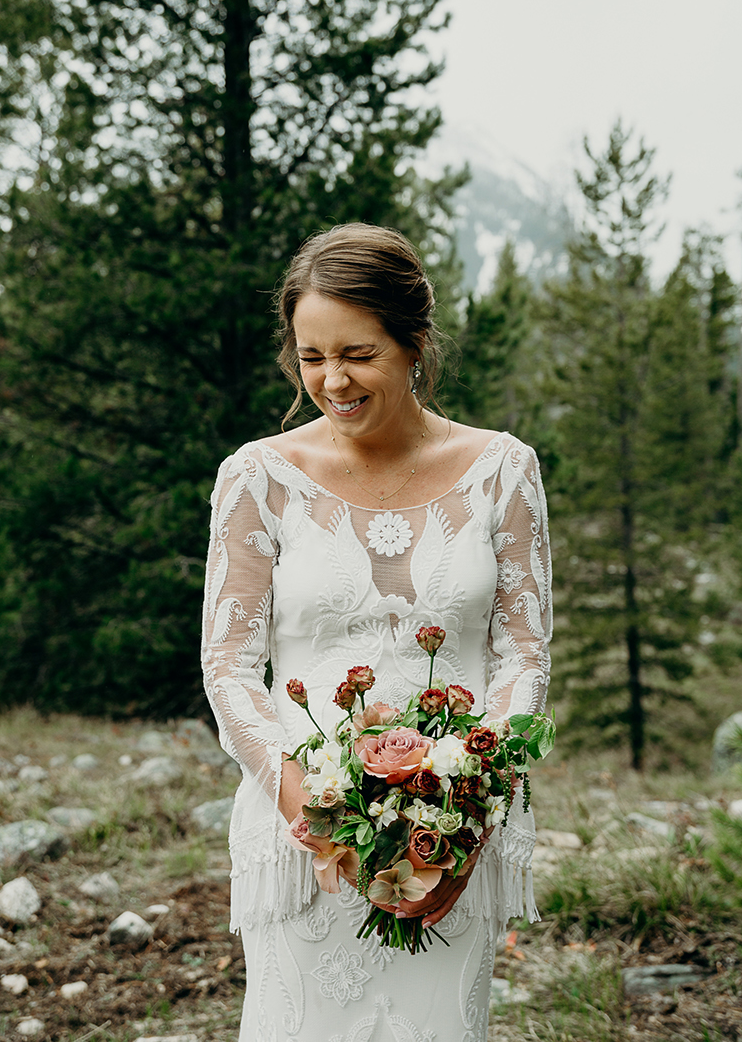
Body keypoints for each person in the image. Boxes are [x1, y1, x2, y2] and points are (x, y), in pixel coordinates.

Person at [201, 224, 549, 1039]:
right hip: (301, 839)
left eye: (357, 353)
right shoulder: (258, 477)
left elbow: (524, 653)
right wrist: (320, 816)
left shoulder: (503, 470)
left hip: (451, 841)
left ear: (415, 344)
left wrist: (467, 811)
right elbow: (228, 666)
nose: (332, 380)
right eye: (311, 356)